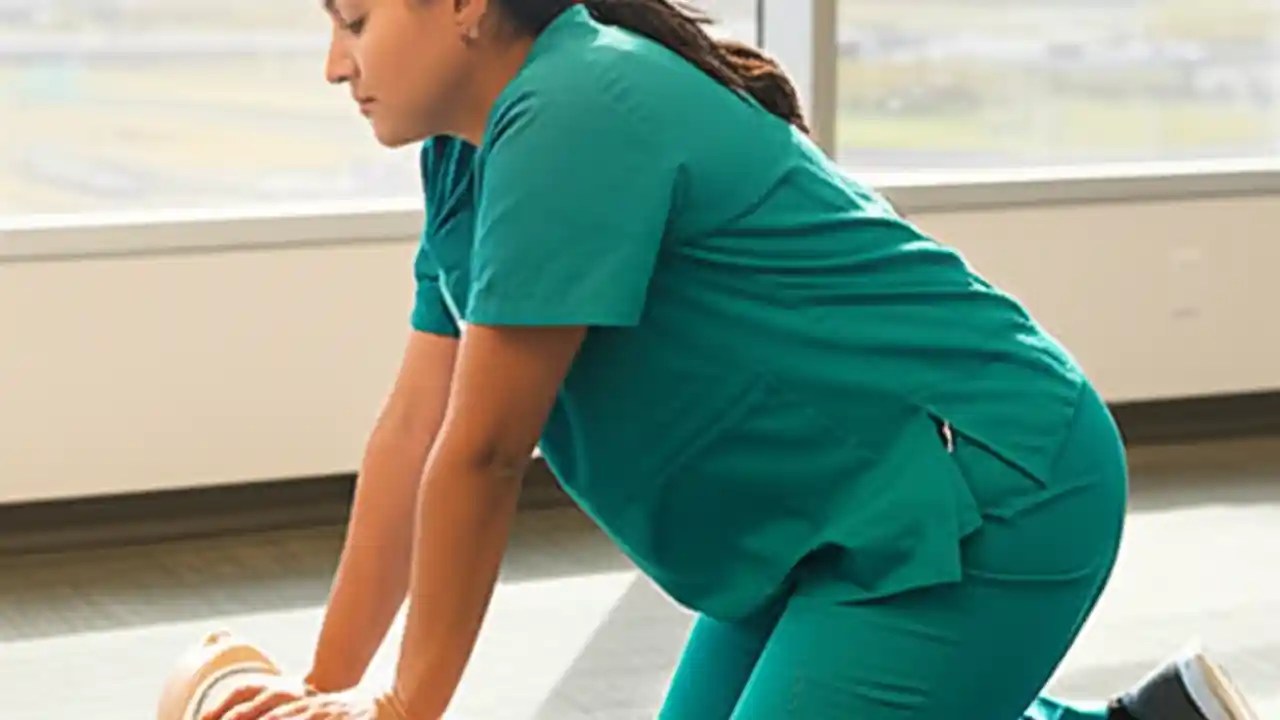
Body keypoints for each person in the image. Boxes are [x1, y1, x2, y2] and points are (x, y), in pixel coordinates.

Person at [202, 1, 1261, 719]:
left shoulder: (573, 107)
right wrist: (321, 687)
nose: (335, 63)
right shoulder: (466, 147)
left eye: (354, 21)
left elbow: (482, 453)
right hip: (819, 515)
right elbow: (415, 429)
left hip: (984, 486)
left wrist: (400, 707)